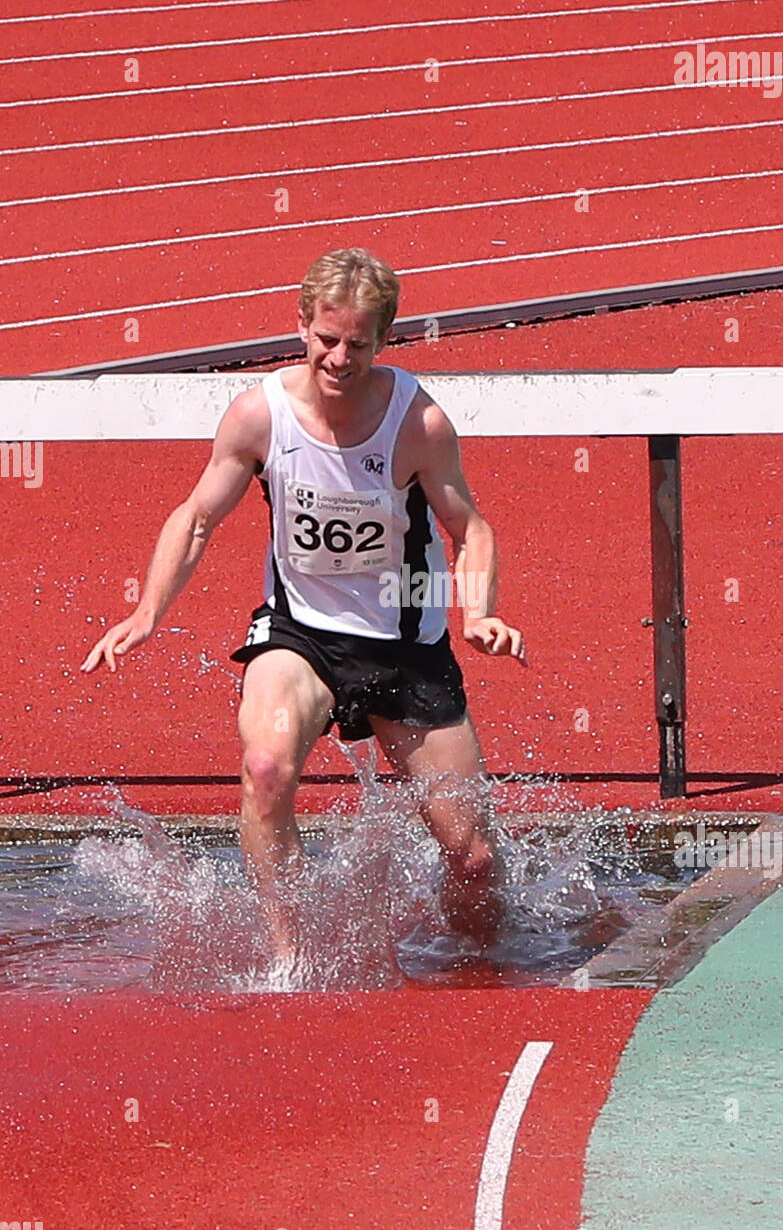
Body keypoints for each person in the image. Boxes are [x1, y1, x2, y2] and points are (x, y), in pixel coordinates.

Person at [82, 247, 525, 966]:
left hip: (404, 640)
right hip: (300, 637)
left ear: (384, 341)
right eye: (327, 339)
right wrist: (147, 611)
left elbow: (468, 528)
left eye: (358, 343)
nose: (340, 358)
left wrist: (477, 614)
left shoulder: (419, 423)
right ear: (301, 327)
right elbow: (196, 517)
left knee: (471, 860)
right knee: (264, 768)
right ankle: (292, 956)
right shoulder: (261, 417)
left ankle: (488, 959)